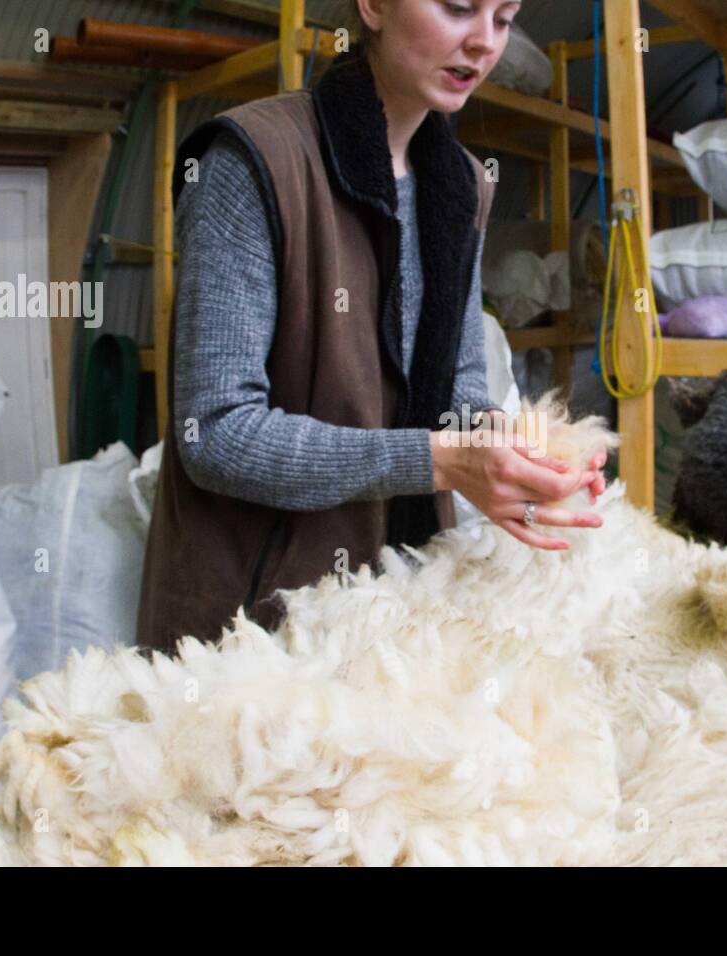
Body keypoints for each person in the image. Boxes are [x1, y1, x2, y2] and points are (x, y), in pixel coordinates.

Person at [137, 0, 608, 655]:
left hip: (400, 602)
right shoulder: (254, 160)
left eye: (503, 18)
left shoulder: (461, 185)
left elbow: (462, 392)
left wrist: (524, 450)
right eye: (459, 8)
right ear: (373, 6)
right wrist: (437, 460)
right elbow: (216, 434)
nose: (484, 44)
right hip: (253, 627)